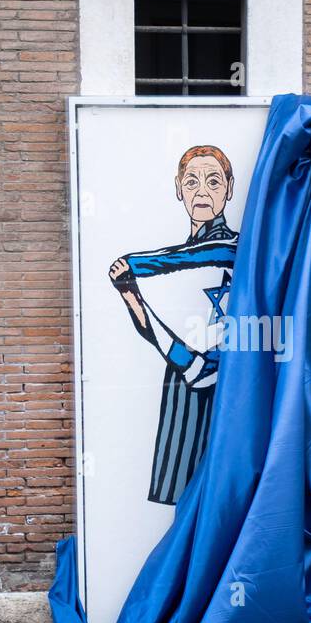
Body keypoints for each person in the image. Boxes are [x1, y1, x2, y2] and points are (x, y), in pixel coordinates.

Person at [109, 145, 240, 505]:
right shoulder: (181, 259)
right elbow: (151, 328)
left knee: (211, 494)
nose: (202, 191)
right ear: (179, 188)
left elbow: (194, 257)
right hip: (181, 379)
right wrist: (129, 293)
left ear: (229, 188)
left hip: (219, 384)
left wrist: (135, 264)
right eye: (192, 181)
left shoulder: (232, 248)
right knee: (178, 492)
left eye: (214, 182)